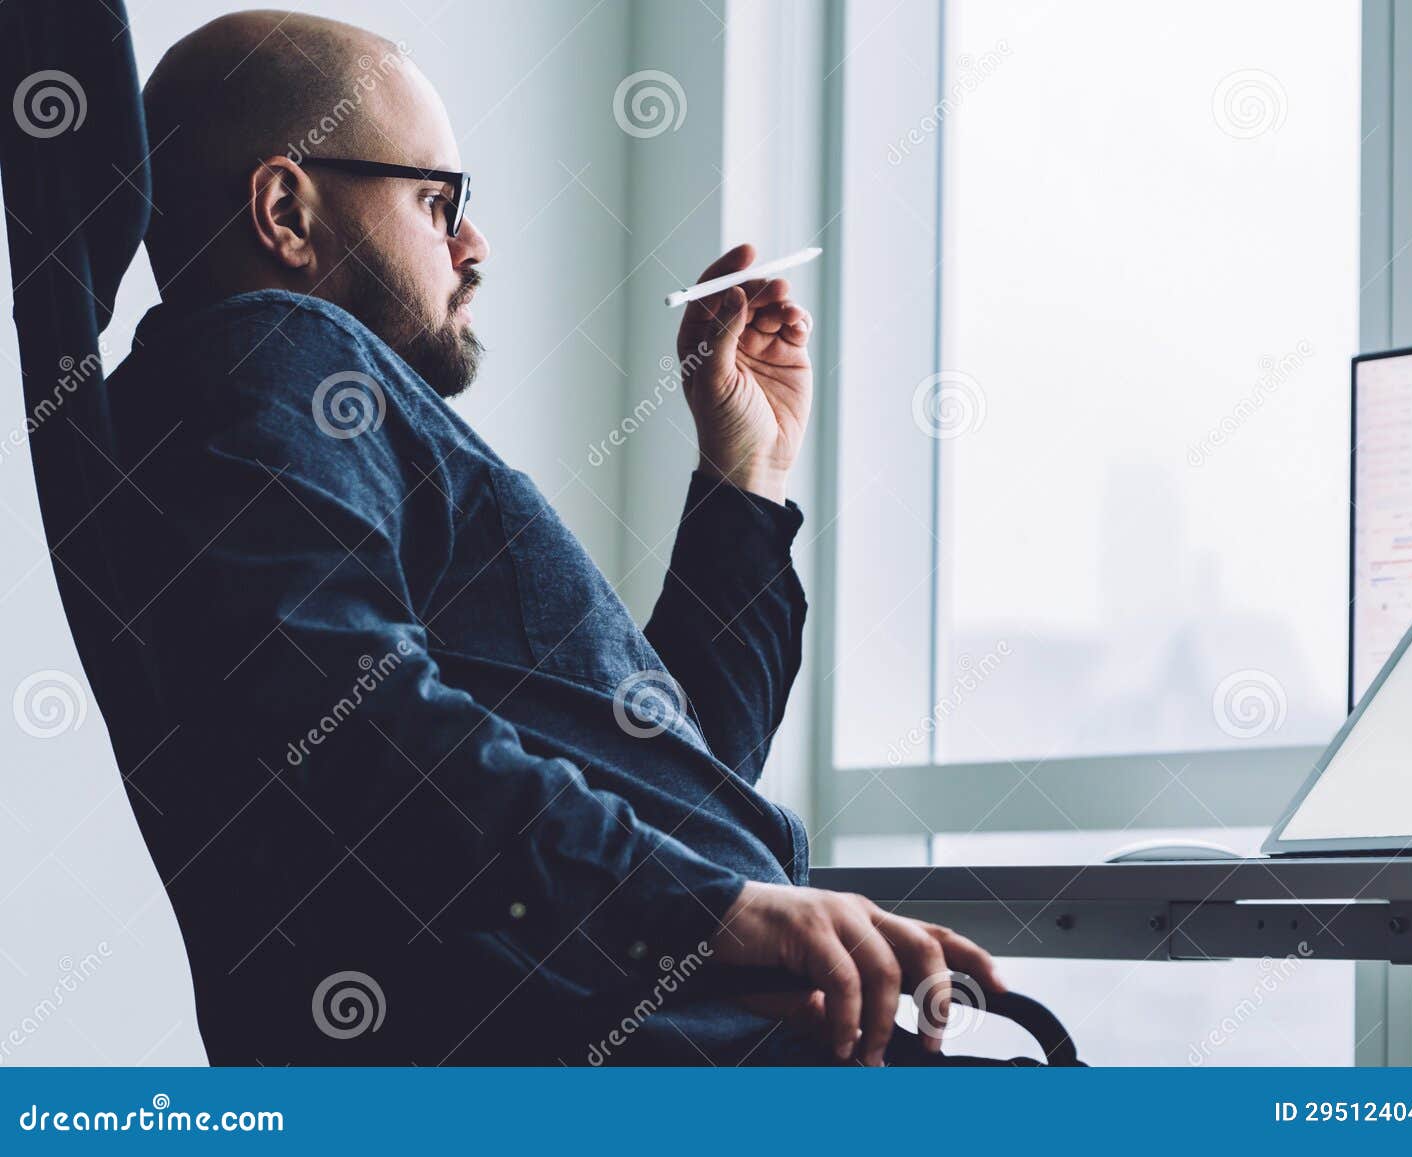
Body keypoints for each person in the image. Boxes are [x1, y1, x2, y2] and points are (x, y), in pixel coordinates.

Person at [106, 9, 1015, 1066]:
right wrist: (704, 909)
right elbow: (336, 713)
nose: (473, 243)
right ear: (285, 212)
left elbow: (678, 771)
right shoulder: (275, 352)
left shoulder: (272, 409)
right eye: (437, 201)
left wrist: (746, 477)